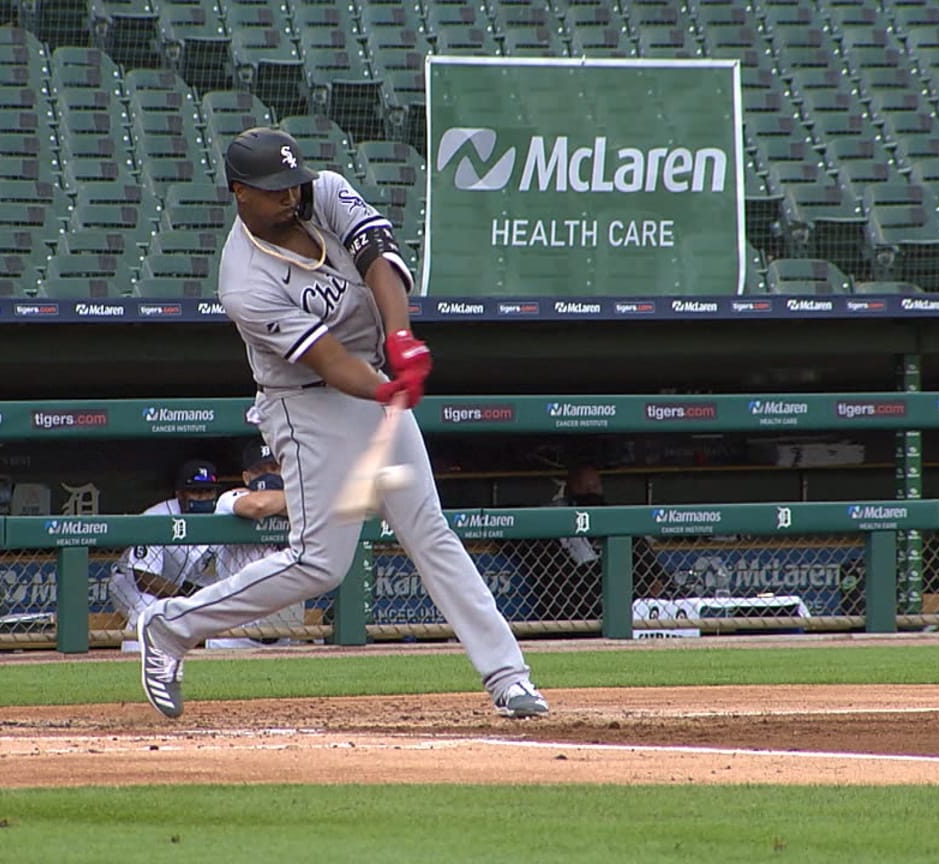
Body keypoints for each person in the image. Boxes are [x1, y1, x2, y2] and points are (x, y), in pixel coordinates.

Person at [137, 127, 548, 719]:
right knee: (320, 563)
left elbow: (378, 259)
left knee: (429, 531)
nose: (290, 196)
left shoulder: (323, 190)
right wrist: (386, 386)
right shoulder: (243, 283)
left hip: (375, 381)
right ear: (239, 194)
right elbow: (329, 363)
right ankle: (171, 626)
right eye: (274, 189)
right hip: (307, 406)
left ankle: (508, 678)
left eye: (293, 182)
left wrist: (401, 340)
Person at [517, 465, 674, 624]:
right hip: (577, 600)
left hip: (624, 598)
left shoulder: (614, 520)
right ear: (570, 490)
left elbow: (655, 576)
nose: (591, 493)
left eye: (594, 487)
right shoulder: (553, 518)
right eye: (585, 488)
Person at [205, 440, 307, 649]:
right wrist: (291, 501)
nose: (269, 475)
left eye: (275, 468)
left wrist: (285, 501)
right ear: (246, 477)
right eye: (260, 470)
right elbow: (258, 505)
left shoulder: (305, 498)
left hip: (286, 634)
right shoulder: (229, 498)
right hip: (232, 636)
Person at [107, 458, 223, 642]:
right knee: (146, 607)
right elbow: (143, 579)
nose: (204, 498)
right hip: (129, 584)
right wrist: (186, 599)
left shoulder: (220, 518)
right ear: (180, 494)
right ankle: (133, 660)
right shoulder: (156, 517)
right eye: (196, 492)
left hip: (185, 589)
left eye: (208, 491)